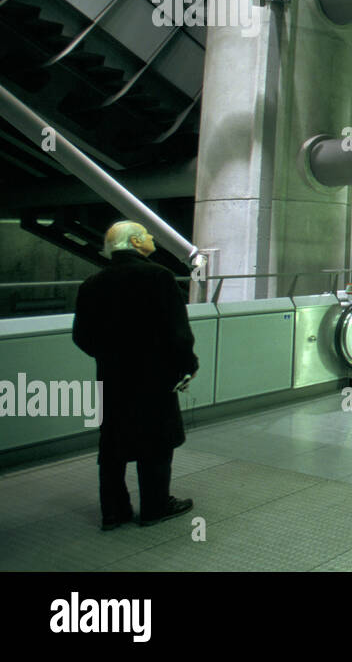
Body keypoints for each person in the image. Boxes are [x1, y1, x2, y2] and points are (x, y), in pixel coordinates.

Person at [73, 222, 199, 530]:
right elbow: (177, 333)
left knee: (113, 442)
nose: (153, 237)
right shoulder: (158, 277)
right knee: (156, 442)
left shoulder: (93, 282)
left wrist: (109, 356)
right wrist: (187, 365)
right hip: (154, 377)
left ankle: (114, 511)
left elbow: (81, 336)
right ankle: (155, 506)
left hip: (113, 377)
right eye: (148, 234)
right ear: (135, 242)